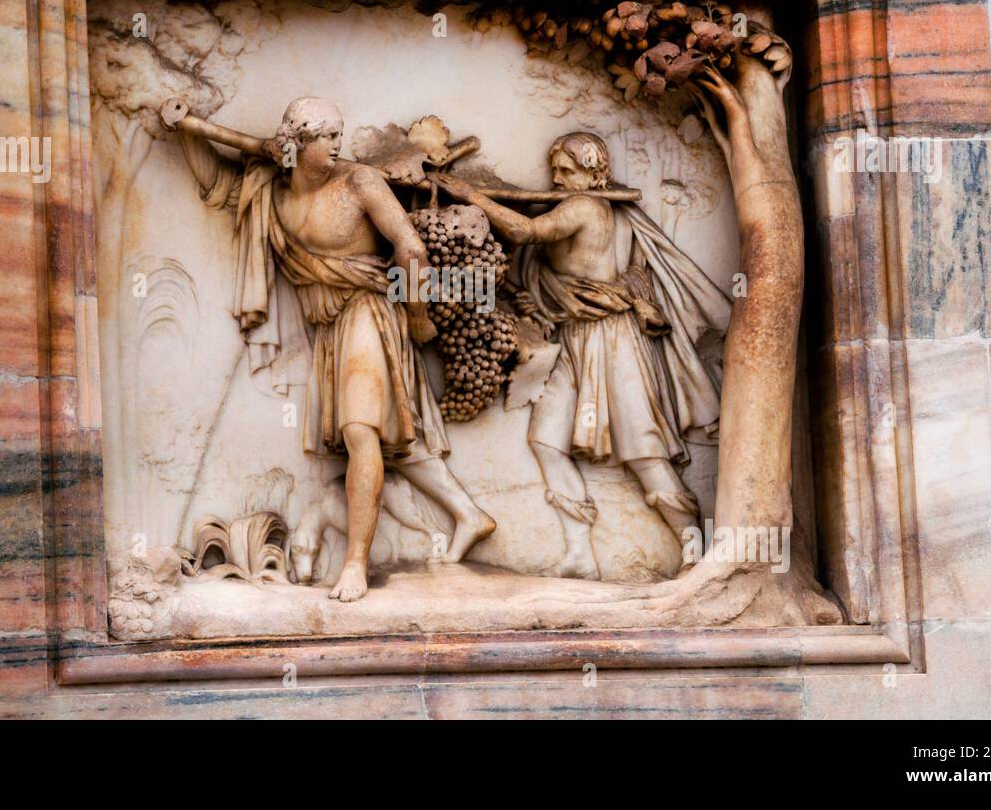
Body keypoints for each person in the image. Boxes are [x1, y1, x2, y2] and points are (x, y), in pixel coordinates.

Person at [174, 97, 494, 601]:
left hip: (369, 309)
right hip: (325, 325)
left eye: (337, 134)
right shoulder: (271, 189)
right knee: (384, 437)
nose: (336, 144)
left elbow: (409, 247)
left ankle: (355, 566)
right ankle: (468, 514)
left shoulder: (359, 181)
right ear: (296, 144)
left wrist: (417, 316)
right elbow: (219, 182)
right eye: (325, 136)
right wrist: (186, 128)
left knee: (360, 430)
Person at [435, 133, 729, 580]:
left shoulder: (584, 207)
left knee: (644, 449)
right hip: (573, 339)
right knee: (547, 440)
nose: (557, 179)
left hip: (613, 342)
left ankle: (694, 555)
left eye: (568, 172)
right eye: (555, 171)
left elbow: (526, 232)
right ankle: (579, 553)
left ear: (595, 175)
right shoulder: (615, 212)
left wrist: (471, 196)